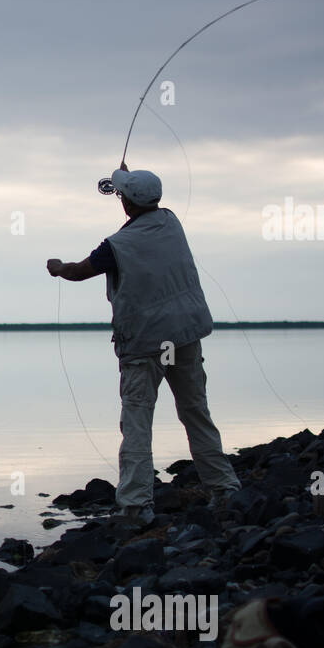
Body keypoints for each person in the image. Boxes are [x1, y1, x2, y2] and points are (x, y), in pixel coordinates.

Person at [46, 164, 240, 526]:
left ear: (126, 203)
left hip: (145, 344)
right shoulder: (171, 221)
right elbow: (142, 200)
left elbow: (77, 271)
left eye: (121, 195)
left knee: (137, 421)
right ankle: (224, 489)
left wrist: (58, 267)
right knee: (196, 412)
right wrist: (126, 177)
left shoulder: (116, 247)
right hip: (185, 335)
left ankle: (136, 504)